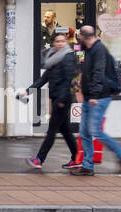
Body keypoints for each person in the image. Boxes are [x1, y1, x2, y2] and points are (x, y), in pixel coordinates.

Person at [70, 25, 121, 175]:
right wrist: (77, 49)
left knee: (94, 130)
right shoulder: (86, 50)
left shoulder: (99, 50)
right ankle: (87, 166)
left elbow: (98, 72)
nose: (79, 40)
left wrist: (94, 96)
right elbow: (79, 66)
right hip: (88, 96)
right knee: (84, 132)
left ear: (85, 37)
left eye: (80, 38)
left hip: (99, 97)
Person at [20, 30, 80, 170]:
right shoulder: (53, 57)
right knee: (65, 131)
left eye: (63, 41)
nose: (60, 43)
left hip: (62, 99)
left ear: (66, 43)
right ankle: (77, 158)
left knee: (51, 131)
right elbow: (44, 79)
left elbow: (69, 80)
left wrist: (62, 99)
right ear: (53, 43)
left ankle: (39, 159)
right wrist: (28, 91)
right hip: (57, 98)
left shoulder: (68, 57)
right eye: (58, 41)